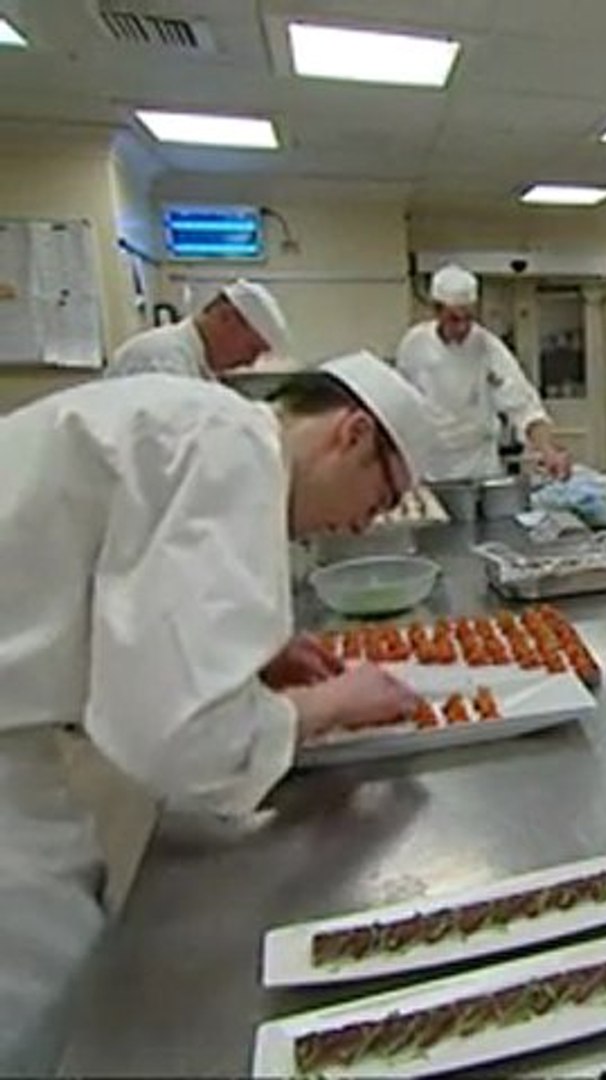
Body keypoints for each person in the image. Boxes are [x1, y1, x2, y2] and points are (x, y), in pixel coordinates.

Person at [0, 351, 434, 1072]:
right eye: (379, 500)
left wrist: (253, 654)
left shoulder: (209, 427)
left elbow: (123, 607)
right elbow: (175, 739)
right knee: (45, 983)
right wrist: (325, 707)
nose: (361, 528)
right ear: (352, 435)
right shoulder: (234, 457)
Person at [396, 264, 571, 481]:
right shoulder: (414, 345)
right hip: (428, 465)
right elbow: (401, 406)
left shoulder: (487, 347)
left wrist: (548, 451)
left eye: (468, 319)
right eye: (454, 319)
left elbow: (524, 405)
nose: (462, 328)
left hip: (479, 465)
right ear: (436, 311)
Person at [106, 279, 289, 379]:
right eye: (252, 349)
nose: (250, 362)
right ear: (227, 317)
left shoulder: (196, 365)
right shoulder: (160, 359)